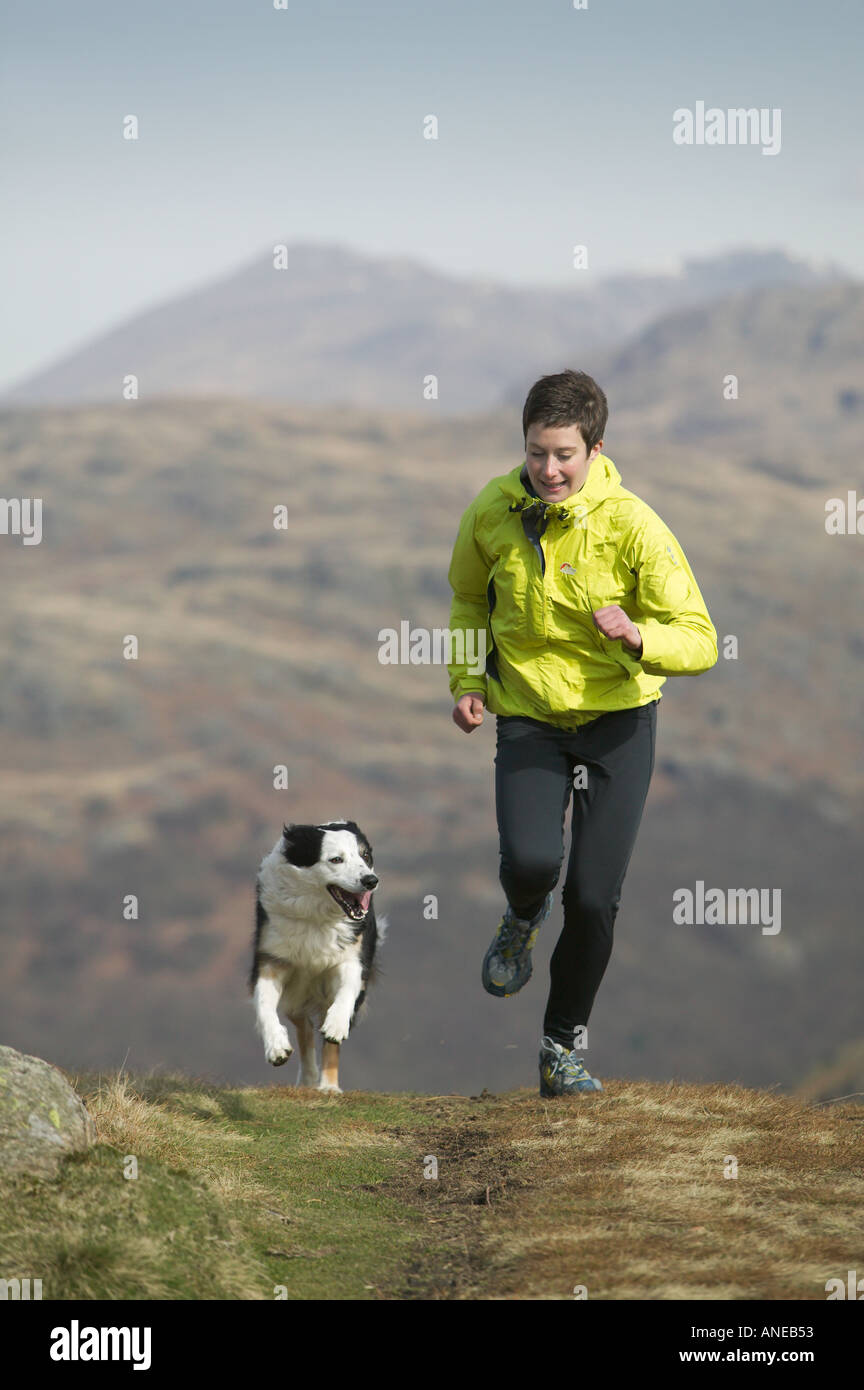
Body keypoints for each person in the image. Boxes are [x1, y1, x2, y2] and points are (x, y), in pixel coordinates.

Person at [447, 369, 717, 1097]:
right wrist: (468, 683)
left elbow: (700, 638)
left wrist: (637, 638)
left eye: (565, 454)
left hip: (618, 724)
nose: (549, 470)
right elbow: (470, 600)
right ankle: (522, 914)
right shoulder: (492, 511)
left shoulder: (634, 525)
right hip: (530, 717)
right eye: (537, 453)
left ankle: (561, 1048)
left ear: (597, 449)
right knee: (534, 861)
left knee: (595, 899)